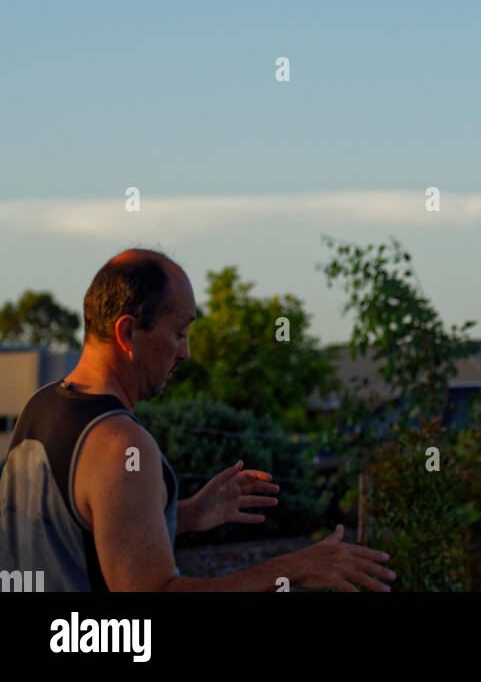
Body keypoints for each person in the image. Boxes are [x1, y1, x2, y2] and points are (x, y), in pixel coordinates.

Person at [0, 248, 394, 593]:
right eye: (179, 333)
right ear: (128, 331)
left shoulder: (42, 406)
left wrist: (184, 515)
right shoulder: (121, 446)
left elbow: (74, 540)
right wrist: (291, 570)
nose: (185, 353)